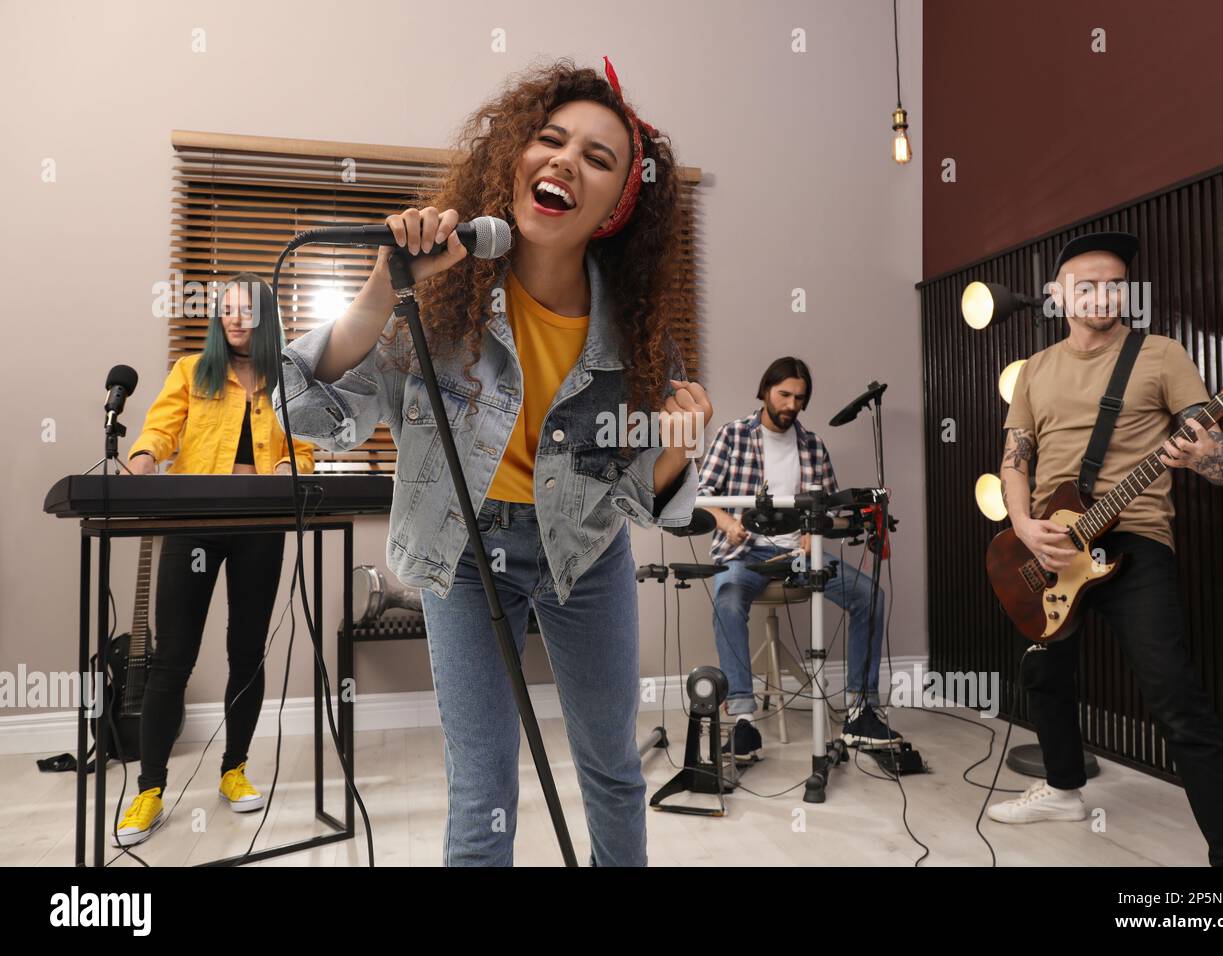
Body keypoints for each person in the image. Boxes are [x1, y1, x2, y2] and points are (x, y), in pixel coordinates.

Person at [274, 57, 707, 866]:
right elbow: (305, 409)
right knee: (483, 788)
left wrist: (674, 454)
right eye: (550, 140)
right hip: (466, 555)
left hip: (584, 555)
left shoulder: (637, 340)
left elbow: (644, 504)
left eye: (597, 158)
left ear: (617, 206)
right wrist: (379, 291)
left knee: (613, 769)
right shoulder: (437, 299)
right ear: (514, 156)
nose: (564, 162)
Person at [991, 231, 1223, 867]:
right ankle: (1062, 790)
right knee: (1045, 677)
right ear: (1058, 295)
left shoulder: (1161, 355)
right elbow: (1014, 460)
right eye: (1087, 283)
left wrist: (1206, 455)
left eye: (1115, 282)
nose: (1103, 293)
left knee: (1176, 700)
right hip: (1051, 545)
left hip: (1134, 542)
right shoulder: (1035, 369)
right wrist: (1025, 526)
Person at [115, 273, 314, 846]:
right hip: (195, 527)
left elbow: (300, 446)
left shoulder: (287, 380)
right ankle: (149, 790)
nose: (234, 319)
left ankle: (234, 769)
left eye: (246, 310)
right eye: (225, 310)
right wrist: (147, 458)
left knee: (247, 651)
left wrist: (286, 468)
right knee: (173, 657)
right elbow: (159, 431)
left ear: (265, 317)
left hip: (261, 529)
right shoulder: (190, 371)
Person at [697, 357, 893, 763]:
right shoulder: (733, 436)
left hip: (802, 557)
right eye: (784, 394)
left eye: (799, 398)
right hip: (745, 552)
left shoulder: (813, 445)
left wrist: (811, 532)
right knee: (728, 602)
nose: (790, 405)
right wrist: (727, 521)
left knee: (869, 595)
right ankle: (744, 720)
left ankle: (861, 710)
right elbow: (701, 498)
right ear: (765, 390)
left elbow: (830, 510)